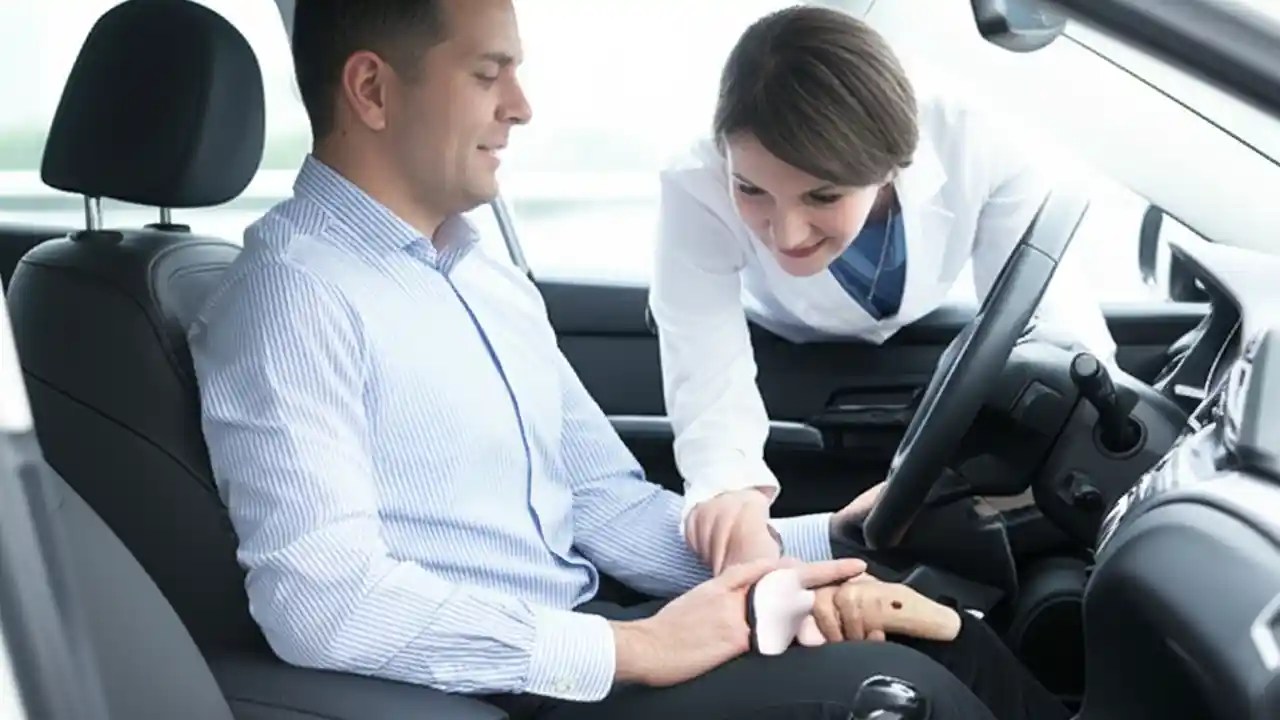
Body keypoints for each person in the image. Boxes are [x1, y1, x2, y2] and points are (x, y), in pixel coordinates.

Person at [188, 1, 1069, 718]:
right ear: (373, 90)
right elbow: (322, 602)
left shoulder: (478, 275)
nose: (522, 106)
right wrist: (636, 649)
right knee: (898, 696)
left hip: (590, 638)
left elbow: (602, 504)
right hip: (518, 682)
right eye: (490, 74)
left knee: (932, 628)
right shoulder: (292, 297)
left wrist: (832, 534)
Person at [650, 6, 1119, 575]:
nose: (787, 232)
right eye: (750, 190)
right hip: (778, 347)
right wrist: (728, 493)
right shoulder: (693, 181)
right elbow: (702, 354)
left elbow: (1055, 330)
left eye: (822, 197)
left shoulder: (978, 145)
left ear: (893, 166)